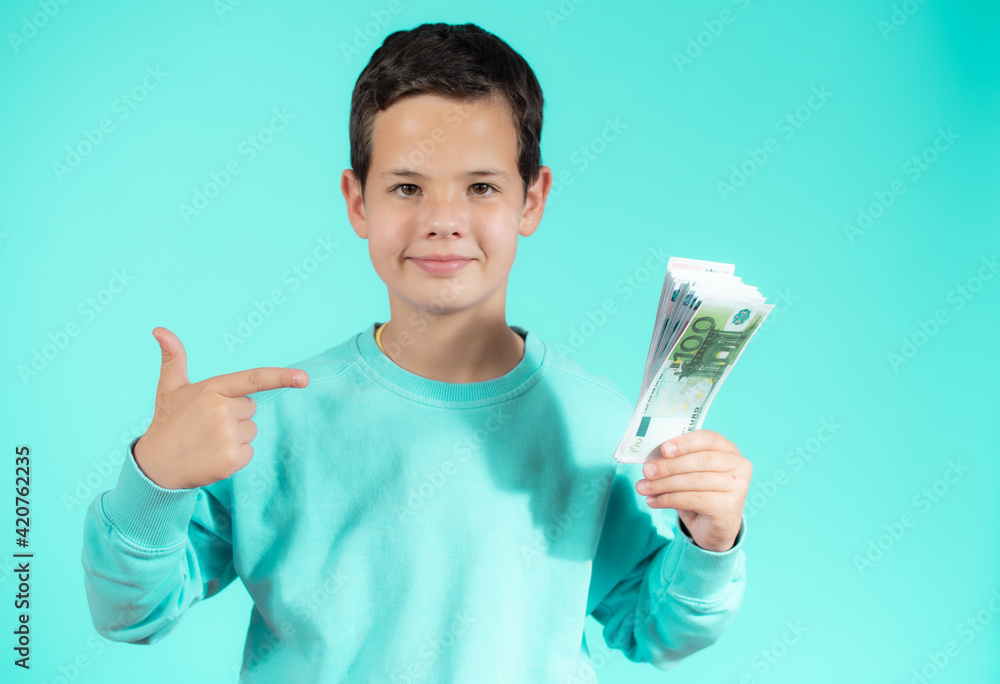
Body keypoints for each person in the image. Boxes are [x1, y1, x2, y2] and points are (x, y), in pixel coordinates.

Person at [81, 21, 752, 683]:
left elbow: (654, 628)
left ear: (532, 199)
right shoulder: (268, 423)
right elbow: (129, 613)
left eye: (481, 187)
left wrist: (709, 544)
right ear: (357, 201)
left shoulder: (595, 421)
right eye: (407, 187)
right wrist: (155, 480)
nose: (442, 218)